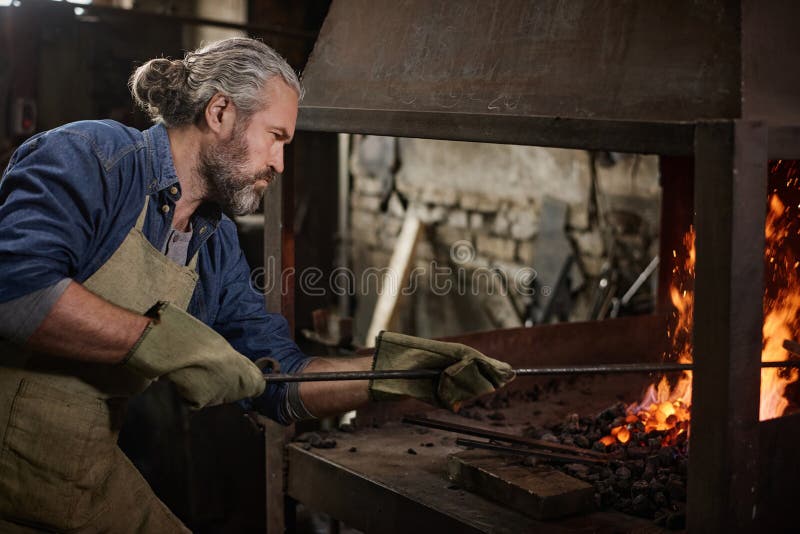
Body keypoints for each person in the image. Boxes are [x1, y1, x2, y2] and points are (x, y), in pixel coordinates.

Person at [0, 37, 513, 532]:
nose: (279, 164)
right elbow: (16, 291)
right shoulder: (94, 157)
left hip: (77, 470)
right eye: (276, 137)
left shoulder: (215, 242)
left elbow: (279, 381)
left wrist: (395, 375)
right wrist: (158, 342)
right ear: (220, 112)